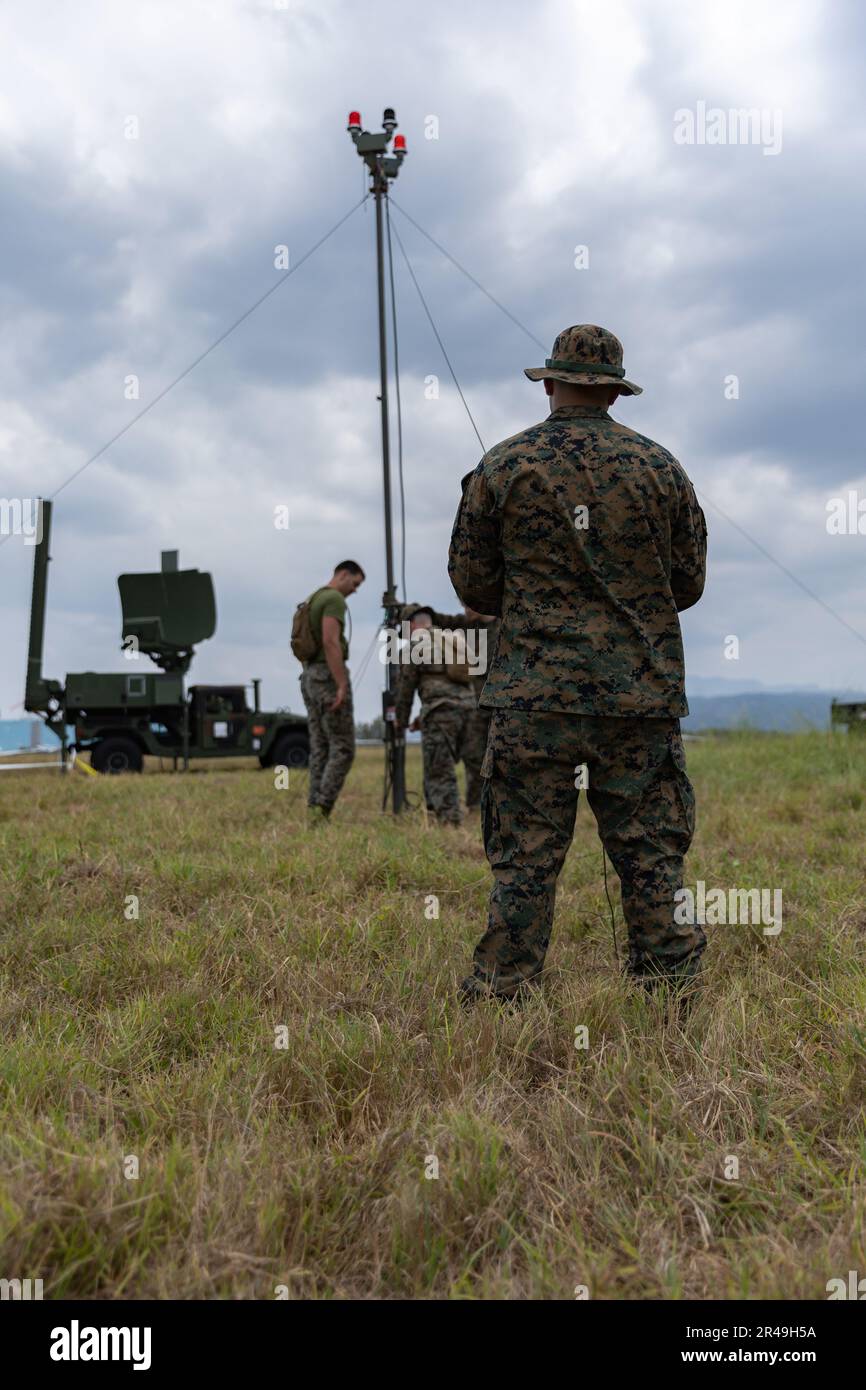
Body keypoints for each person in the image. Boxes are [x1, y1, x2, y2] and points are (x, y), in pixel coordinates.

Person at [448, 324, 708, 1003]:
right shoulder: (661, 469)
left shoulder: (503, 466)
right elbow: (688, 583)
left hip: (534, 698)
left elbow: (473, 585)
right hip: (639, 697)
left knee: (525, 859)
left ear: (551, 383)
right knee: (652, 854)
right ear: (615, 392)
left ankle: (505, 990)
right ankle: (671, 990)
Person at [394, 605, 476, 825]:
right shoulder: (450, 639)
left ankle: (450, 823)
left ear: (411, 625)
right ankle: (475, 811)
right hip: (469, 711)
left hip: (440, 711)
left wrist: (400, 720)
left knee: (439, 769)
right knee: (471, 766)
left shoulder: (415, 645)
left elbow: (405, 689)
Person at [298, 560, 365, 819]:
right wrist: (341, 684)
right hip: (326, 676)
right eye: (355, 583)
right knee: (343, 747)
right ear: (343, 574)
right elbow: (330, 641)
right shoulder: (334, 600)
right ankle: (322, 807)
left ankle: (314, 806)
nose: (355, 590)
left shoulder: (313, 598)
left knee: (320, 746)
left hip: (309, 675)